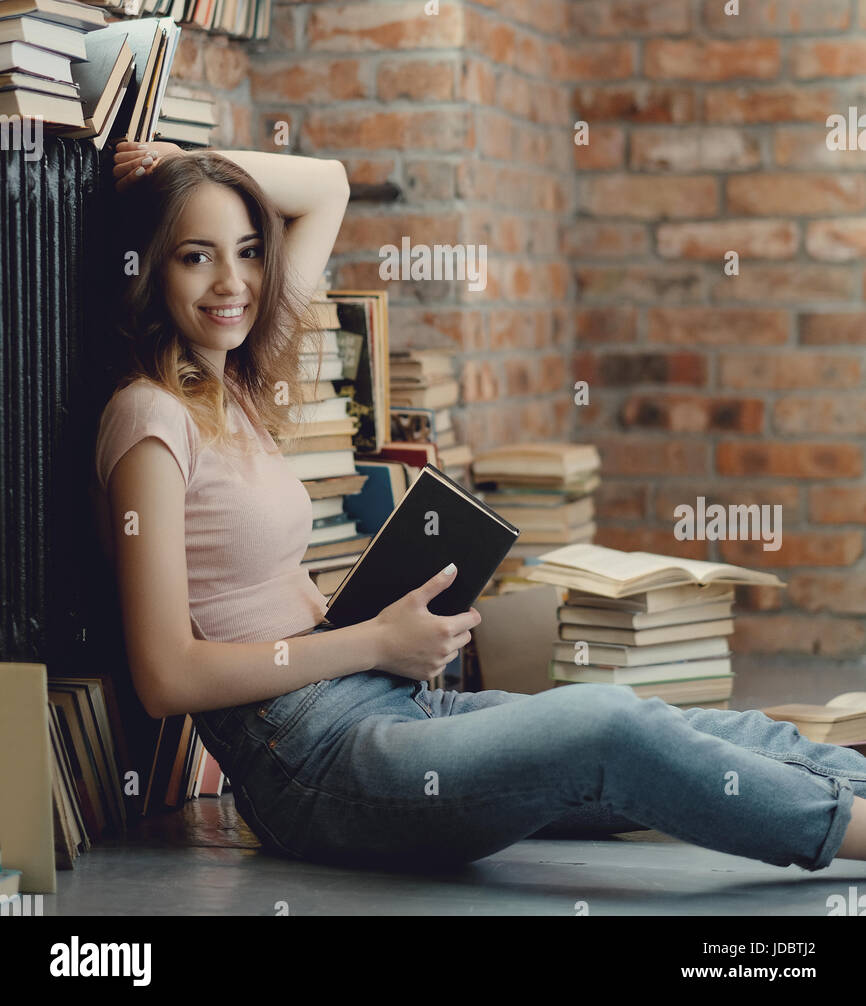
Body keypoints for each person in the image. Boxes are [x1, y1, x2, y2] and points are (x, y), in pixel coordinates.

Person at [92, 139, 866, 875]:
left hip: (385, 702)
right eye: (197, 256)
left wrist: (190, 164)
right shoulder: (150, 417)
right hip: (311, 760)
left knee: (670, 724)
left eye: (250, 251)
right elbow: (166, 676)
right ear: (152, 269)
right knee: (608, 731)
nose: (233, 282)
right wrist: (374, 641)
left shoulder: (232, 383)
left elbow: (327, 185)